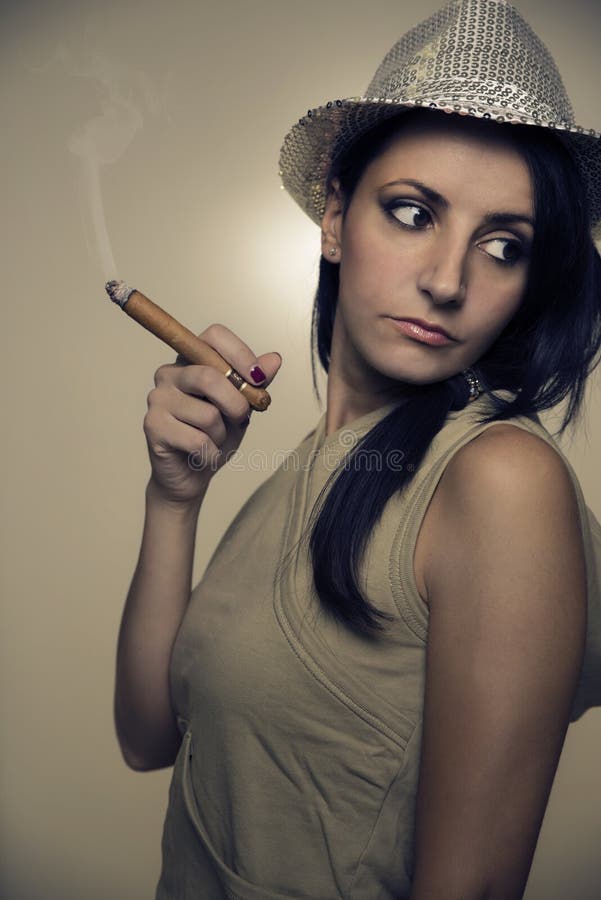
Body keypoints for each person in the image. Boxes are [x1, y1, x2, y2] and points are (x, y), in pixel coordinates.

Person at [113, 1, 601, 897]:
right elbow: (149, 739)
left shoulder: (498, 481)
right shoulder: (304, 463)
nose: (449, 280)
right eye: (413, 212)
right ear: (336, 217)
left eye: (502, 245)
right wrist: (174, 499)